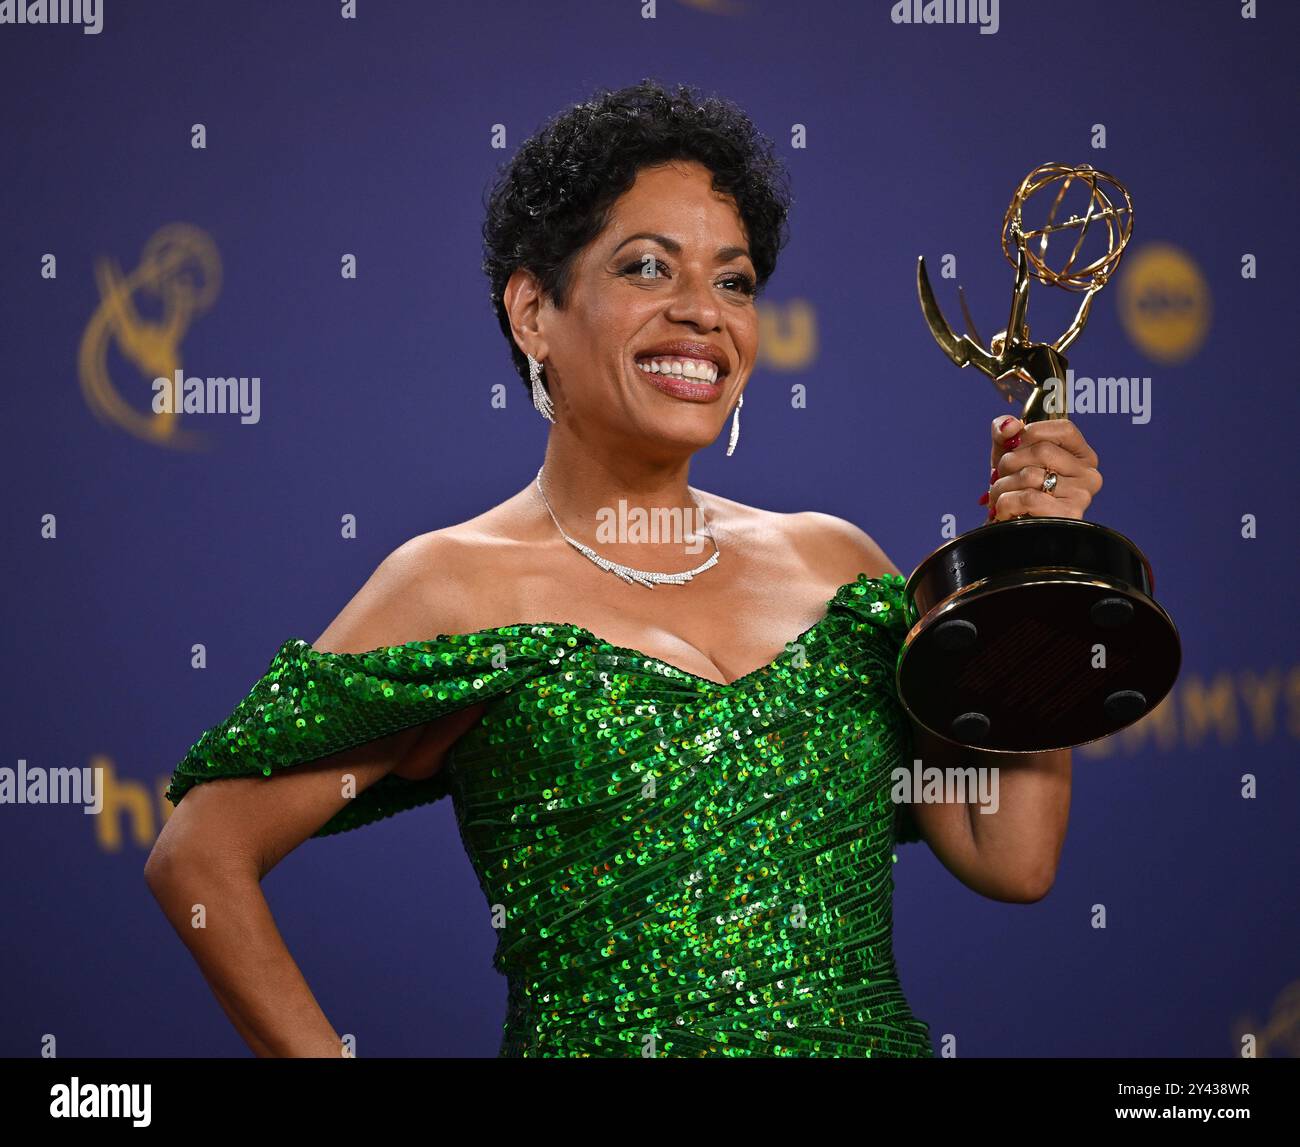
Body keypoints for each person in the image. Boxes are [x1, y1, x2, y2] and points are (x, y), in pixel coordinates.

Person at [145, 79, 1095, 1058]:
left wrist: (1036, 570)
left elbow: (1010, 855)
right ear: (533, 313)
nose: (701, 315)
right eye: (647, 268)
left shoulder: (837, 566)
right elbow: (199, 860)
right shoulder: (452, 585)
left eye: (733, 281)